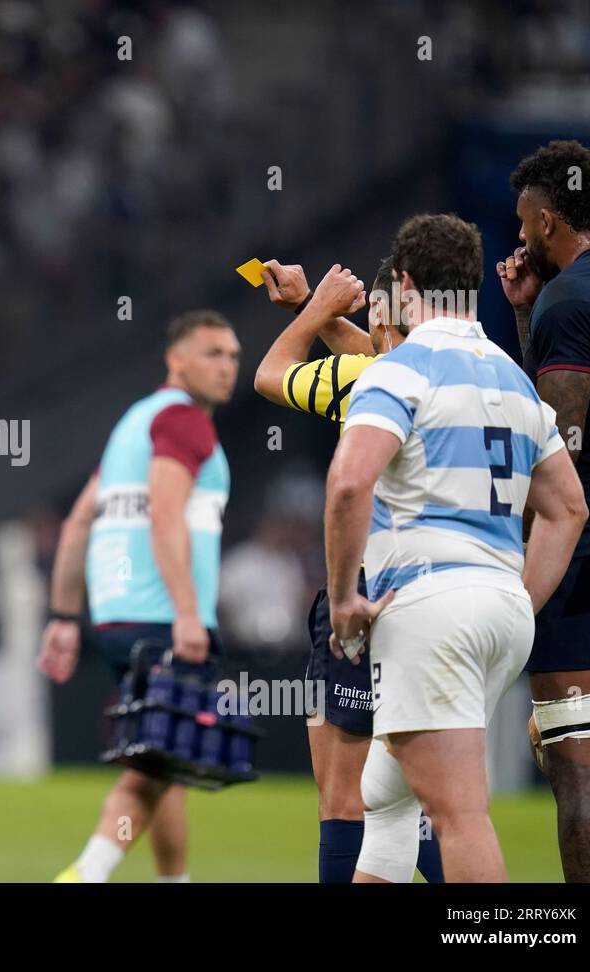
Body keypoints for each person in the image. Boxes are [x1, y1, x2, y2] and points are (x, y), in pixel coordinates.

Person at [327, 213, 586, 882]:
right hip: (499, 609)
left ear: (405, 283)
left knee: (458, 814)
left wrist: (344, 600)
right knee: (386, 799)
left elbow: (350, 485)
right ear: (470, 283)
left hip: (430, 605)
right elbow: (567, 507)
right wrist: (513, 598)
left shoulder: (399, 369)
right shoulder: (510, 377)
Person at [253, 257, 444, 882]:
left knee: (346, 796)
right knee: (423, 800)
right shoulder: (456, 380)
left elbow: (270, 375)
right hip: (442, 596)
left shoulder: (367, 381)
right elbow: (382, 363)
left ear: (385, 312)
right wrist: (330, 314)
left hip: (366, 594)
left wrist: (313, 312)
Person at [37, 310, 238, 883]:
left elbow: (79, 523)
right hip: (161, 619)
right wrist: (187, 614)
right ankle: (87, 872)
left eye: (232, 357)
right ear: (175, 359)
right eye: (211, 354)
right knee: (153, 766)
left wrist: (63, 617)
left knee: (163, 758)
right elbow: (165, 513)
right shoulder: (185, 421)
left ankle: (173, 880)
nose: (226, 368)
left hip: (116, 618)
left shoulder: (133, 423)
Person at [500, 139, 590, 883]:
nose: (519, 241)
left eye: (524, 226)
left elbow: (557, 453)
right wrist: (526, 323)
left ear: (549, 221)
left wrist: (522, 573)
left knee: (577, 764)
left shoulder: (568, 299)